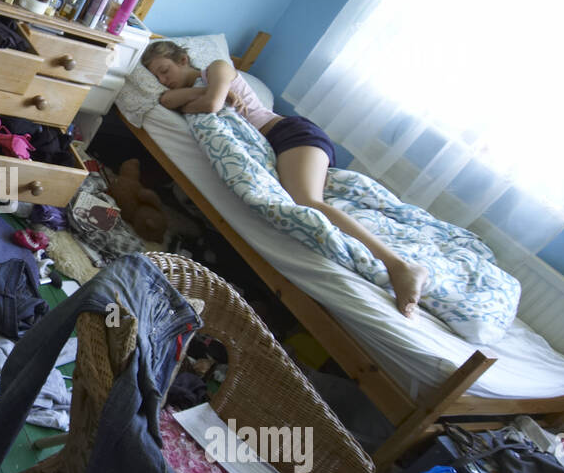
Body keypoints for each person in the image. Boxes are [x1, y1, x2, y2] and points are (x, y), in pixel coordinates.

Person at [142, 39, 429, 318]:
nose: (163, 80)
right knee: (305, 198)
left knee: (307, 202)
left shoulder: (217, 68)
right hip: (280, 149)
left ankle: (399, 266)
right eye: (157, 76)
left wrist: (210, 96)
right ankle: (396, 264)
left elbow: (213, 104)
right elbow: (167, 100)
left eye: (165, 70)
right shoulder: (195, 87)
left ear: (183, 59)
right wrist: (202, 96)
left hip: (291, 134)